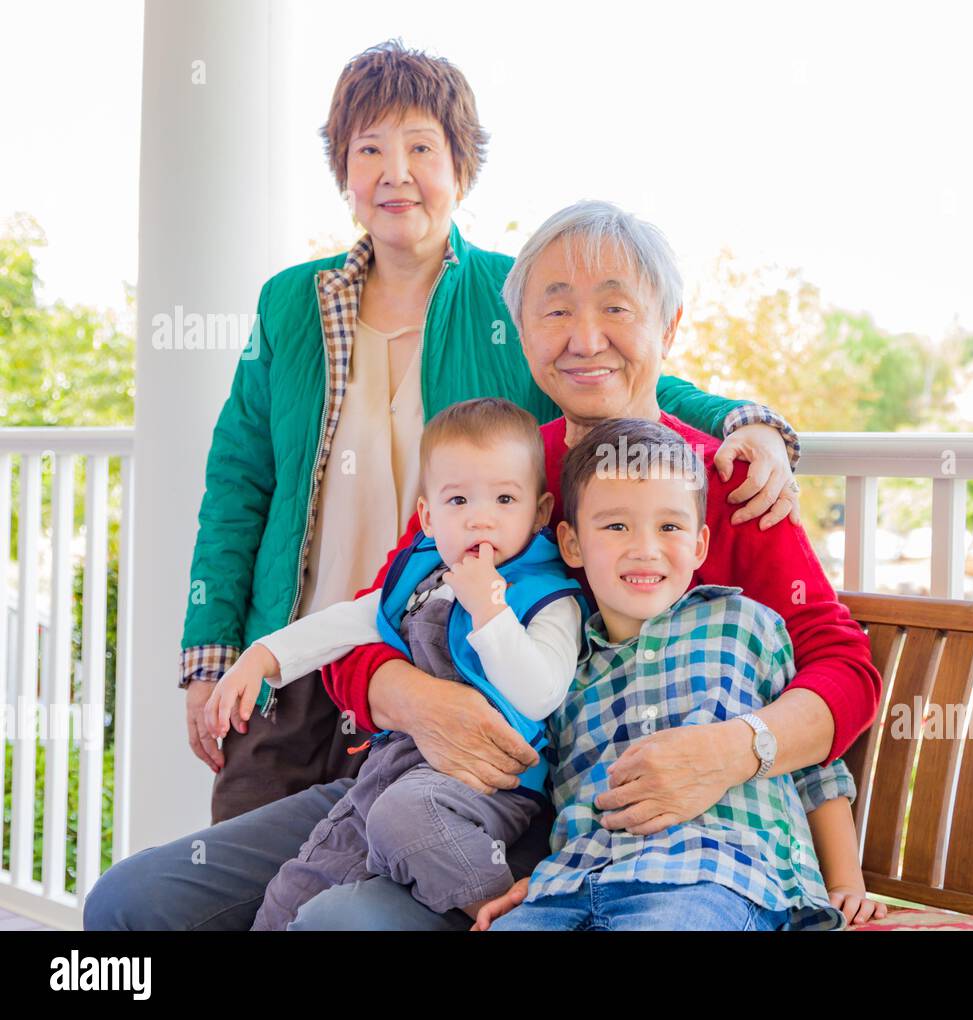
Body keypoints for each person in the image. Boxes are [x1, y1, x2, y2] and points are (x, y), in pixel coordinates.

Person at [83, 201, 872, 932]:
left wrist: (734, 750)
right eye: (555, 309)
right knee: (131, 902)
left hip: (555, 822)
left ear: (669, 324)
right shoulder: (499, 466)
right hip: (403, 777)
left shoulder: (723, 483)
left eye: (616, 307)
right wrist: (416, 698)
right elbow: (372, 620)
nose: (585, 336)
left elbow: (843, 667)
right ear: (522, 333)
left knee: (336, 923)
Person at [180, 39, 804, 825]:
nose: (394, 173)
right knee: (243, 868)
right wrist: (209, 658)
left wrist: (746, 423)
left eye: (420, 148)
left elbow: (617, 379)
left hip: (437, 649)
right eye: (368, 149)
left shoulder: (509, 300)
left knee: (368, 859)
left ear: (461, 169)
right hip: (298, 647)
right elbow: (237, 483)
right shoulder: (290, 304)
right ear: (344, 170)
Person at [471, 418, 887, 930]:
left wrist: (845, 883)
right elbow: (563, 795)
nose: (645, 548)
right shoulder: (563, 665)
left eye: (669, 527)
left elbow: (814, 767)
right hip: (572, 884)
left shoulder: (745, 625)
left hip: (711, 874)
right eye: (616, 526)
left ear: (699, 544)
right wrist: (536, 878)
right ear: (572, 544)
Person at [204, 399, 586, 927]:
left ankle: (501, 910)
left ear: (540, 512)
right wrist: (262, 657)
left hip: (487, 787)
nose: (481, 517)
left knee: (404, 816)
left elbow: (540, 693)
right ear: (428, 517)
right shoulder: (421, 579)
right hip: (390, 771)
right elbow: (346, 623)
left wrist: (490, 610)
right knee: (294, 890)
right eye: (458, 500)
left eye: (504, 498)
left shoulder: (549, 596)